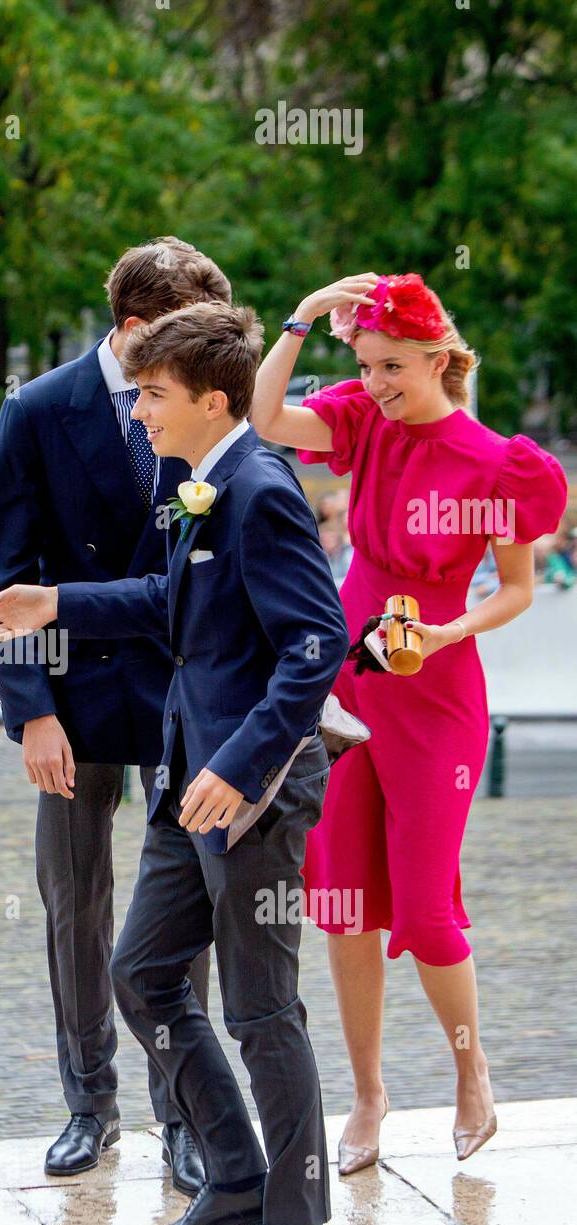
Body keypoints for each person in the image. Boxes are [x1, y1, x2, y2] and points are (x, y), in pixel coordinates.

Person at [0, 299, 350, 1225]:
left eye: (153, 395)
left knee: (265, 1008)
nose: (135, 411)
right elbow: (168, 603)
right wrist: (56, 601)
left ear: (212, 400)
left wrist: (241, 764)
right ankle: (233, 1173)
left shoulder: (259, 489)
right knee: (142, 972)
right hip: (191, 780)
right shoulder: (200, 482)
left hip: (249, 789)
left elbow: (319, 644)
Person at [251, 272, 569, 1172]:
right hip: (347, 682)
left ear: (440, 359)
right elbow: (268, 416)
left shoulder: (502, 465)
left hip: (436, 689)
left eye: (392, 366)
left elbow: (516, 589)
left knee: (428, 912)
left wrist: (444, 632)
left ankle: (472, 1079)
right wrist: (305, 318)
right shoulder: (363, 423)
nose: (377, 381)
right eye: (367, 364)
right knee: (344, 902)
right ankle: (367, 1095)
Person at [0, 236, 230, 1190]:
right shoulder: (39, 410)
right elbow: (4, 568)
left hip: (178, 693)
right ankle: (89, 1103)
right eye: (177, 337)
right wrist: (31, 712)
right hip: (71, 694)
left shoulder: (200, 404)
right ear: (131, 331)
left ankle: (185, 1114)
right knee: (72, 906)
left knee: (179, 907)